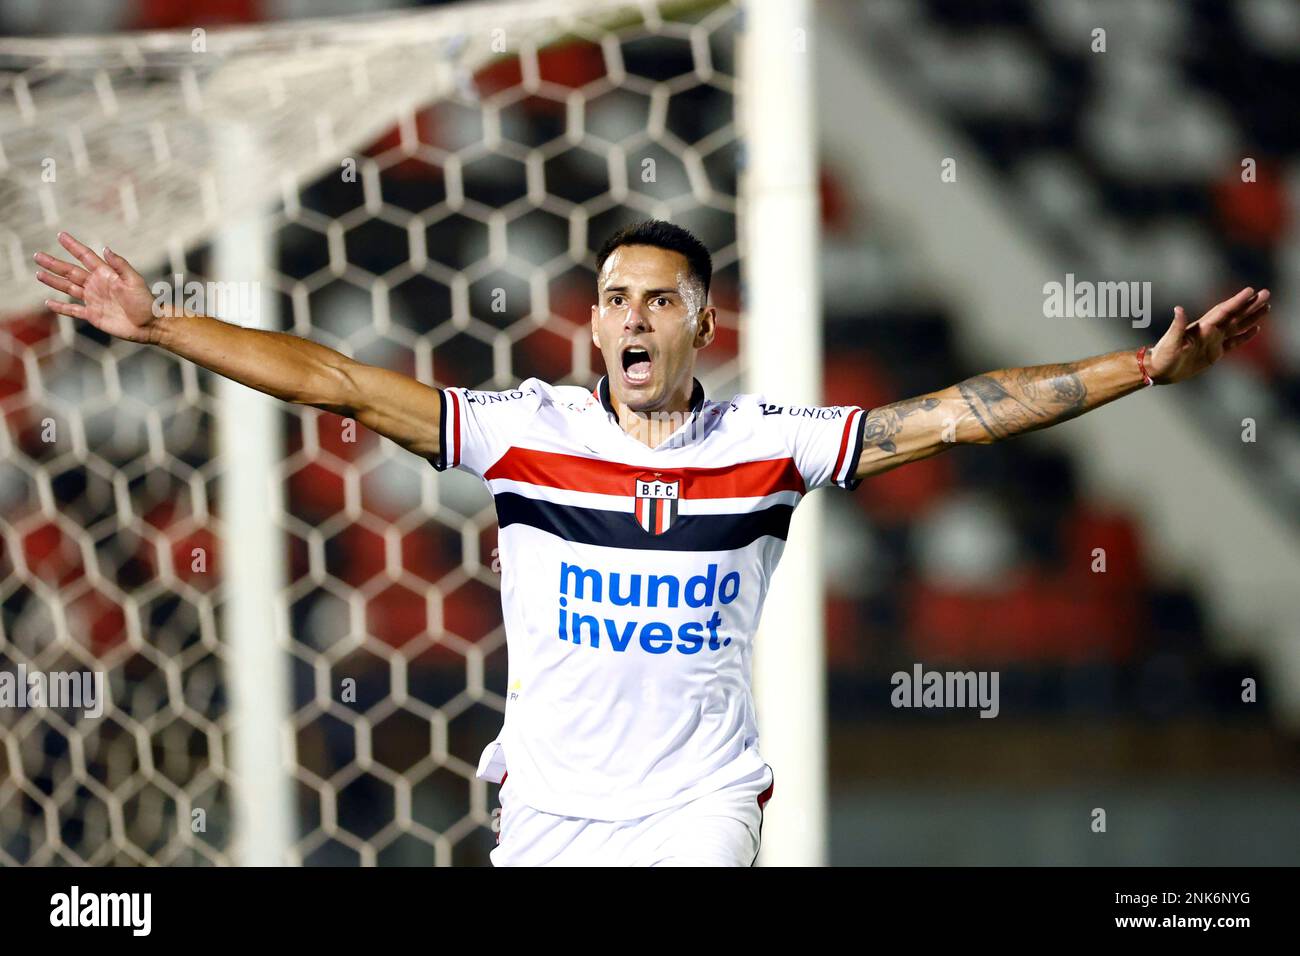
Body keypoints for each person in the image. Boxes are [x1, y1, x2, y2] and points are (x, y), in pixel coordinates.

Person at [34, 220, 1272, 866]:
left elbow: (953, 413)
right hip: (553, 814)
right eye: (612, 298)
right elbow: (340, 383)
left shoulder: (769, 444)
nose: (628, 317)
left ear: (701, 323)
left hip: (698, 799)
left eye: (656, 300)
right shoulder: (523, 432)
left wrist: (1146, 370)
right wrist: (162, 327)